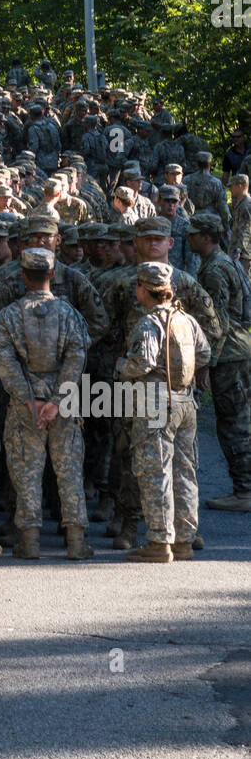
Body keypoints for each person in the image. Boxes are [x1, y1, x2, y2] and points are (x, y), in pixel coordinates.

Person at [0, 248, 92, 559]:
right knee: (69, 471)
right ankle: (76, 542)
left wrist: (28, 400)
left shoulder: (8, 316)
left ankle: (30, 541)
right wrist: (59, 400)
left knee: (26, 472)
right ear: (52, 275)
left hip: (26, 407)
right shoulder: (69, 314)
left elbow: (5, 364)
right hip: (64, 406)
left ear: (23, 276)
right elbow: (78, 357)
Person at [115, 262, 211, 562]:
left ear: (144, 288)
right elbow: (205, 353)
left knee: (155, 470)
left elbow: (142, 362)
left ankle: (159, 542)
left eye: (137, 286)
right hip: (185, 400)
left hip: (156, 400)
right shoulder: (186, 319)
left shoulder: (148, 322)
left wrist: (120, 366)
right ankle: (184, 539)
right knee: (185, 472)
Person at [186, 213, 251, 512]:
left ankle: (244, 490)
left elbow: (217, 321)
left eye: (194, 234)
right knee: (240, 419)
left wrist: (205, 362)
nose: (189, 238)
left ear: (207, 237)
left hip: (228, 355)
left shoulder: (214, 270)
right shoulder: (230, 262)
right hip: (241, 348)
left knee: (233, 423)